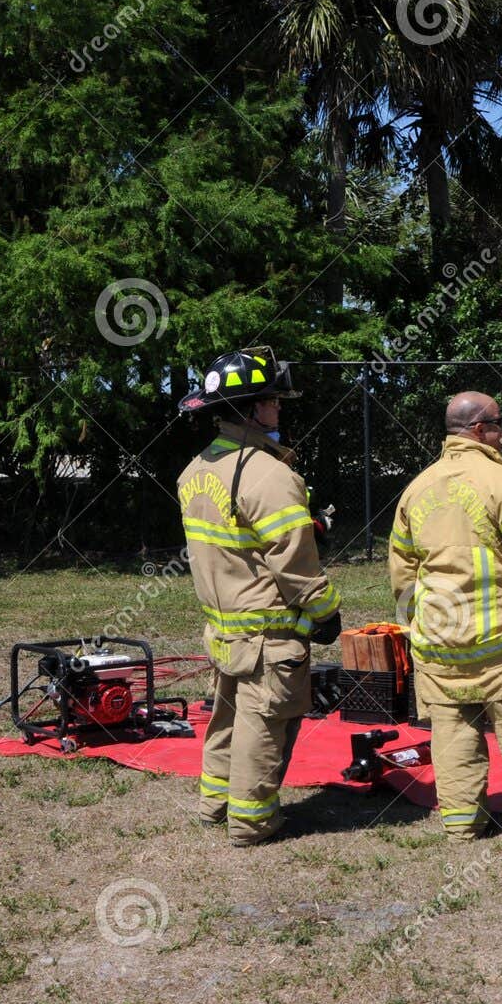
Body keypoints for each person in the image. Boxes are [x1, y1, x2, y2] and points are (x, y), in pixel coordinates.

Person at [389, 392, 502, 842]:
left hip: (439, 643)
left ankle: (461, 822)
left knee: (452, 731)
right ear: (478, 430)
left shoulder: (417, 488)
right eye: (497, 424)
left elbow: (402, 572)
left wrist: (422, 620)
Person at [177, 347, 341, 845]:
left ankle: (215, 805)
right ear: (249, 408)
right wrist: (325, 611)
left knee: (226, 718)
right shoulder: (269, 476)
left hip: (225, 628)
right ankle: (251, 822)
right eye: (271, 400)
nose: (279, 408)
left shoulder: (197, 469)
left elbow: (241, 543)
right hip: (268, 632)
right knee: (265, 724)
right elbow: (292, 561)